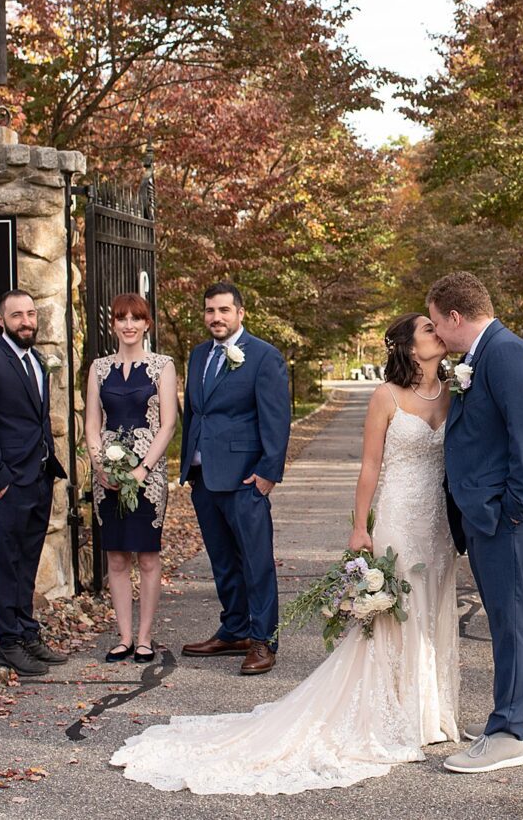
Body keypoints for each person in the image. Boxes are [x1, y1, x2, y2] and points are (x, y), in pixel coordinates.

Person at [111, 314, 461, 794]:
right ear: (406, 345)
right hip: (400, 515)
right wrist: (360, 527)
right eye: (427, 328)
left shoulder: (452, 389)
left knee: (432, 604)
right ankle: (400, 711)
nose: (437, 332)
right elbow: (370, 467)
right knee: (398, 614)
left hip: (437, 523)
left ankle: (431, 710)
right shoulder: (385, 396)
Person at [428, 271, 523, 775]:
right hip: (495, 513)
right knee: (520, 616)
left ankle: (505, 735)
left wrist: (511, 512)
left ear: (456, 317)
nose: (437, 334)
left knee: (509, 623)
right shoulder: (480, 355)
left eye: (439, 324)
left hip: (507, 516)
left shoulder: (505, 353)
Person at [177, 282, 291, 676]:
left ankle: (263, 639)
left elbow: (276, 418)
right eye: (210, 310)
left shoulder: (264, 357)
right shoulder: (197, 356)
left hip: (245, 478)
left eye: (224, 310)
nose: (216, 317)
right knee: (223, 561)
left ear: (240, 313)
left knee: (256, 562)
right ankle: (236, 629)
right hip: (204, 478)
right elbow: (196, 413)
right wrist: (188, 468)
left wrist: (267, 473)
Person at [0, 289, 69, 677]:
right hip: (9, 482)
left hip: (39, 477)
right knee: (7, 562)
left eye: (30, 314)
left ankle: (28, 633)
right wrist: (0, 480)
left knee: (27, 562)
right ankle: (7, 643)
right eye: (17, 315)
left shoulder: (37, 360)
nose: (26, 321)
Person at [84, 293, 178, 664]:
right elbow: (93, 423)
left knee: (148, 557)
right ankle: (123, 636)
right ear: (113, 324)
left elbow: (168, 423)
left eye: (135, 318)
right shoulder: (98, 369)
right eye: (121, 318)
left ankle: (144, 638)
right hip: (107, 470)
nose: (128, 325)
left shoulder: (162, 366)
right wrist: (99, 465)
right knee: (117, 558)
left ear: (146, 324)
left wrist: (142, 470)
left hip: (147, 472)